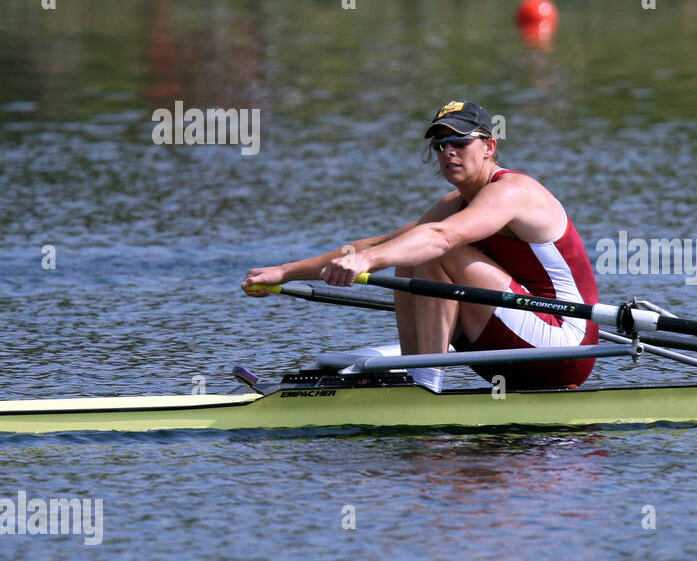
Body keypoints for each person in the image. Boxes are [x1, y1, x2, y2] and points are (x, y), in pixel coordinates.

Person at [241, 100, 600, 392]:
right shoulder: (454, 205)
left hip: (565, 346)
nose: (448, 153)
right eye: (440, 145)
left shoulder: (513, 192)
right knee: (409, 250)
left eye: (460, 143)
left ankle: (423, 384)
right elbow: (379, 244)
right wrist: (283, 272)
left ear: (490, 146)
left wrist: (367, 260)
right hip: (516, 351)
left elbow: (441, 239)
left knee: (431, 247)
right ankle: (414, 380)